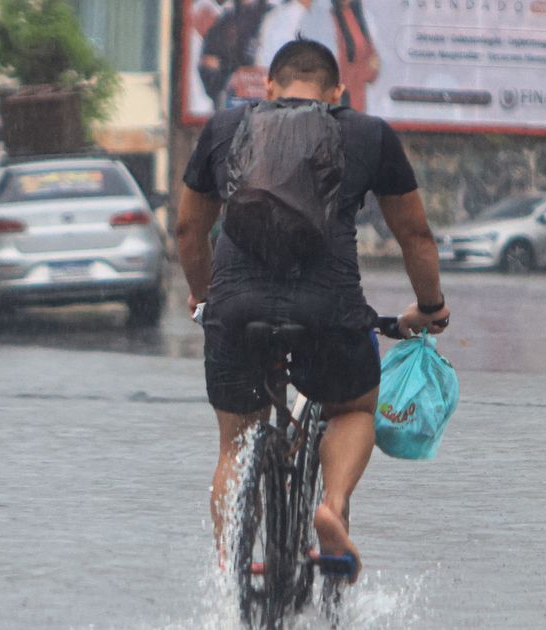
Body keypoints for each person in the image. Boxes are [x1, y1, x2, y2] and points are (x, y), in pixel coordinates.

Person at [177, 38, 450, 582]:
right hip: (328, 308)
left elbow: (188, 228)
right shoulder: (368, 133)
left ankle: (230, 568)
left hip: (237, 306)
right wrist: (430, 307)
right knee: (353, 409)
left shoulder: (226, 128)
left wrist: (206, 296)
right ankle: (332, 504)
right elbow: (415, 235)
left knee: (236, 443)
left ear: (269, 87)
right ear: (337, 93)